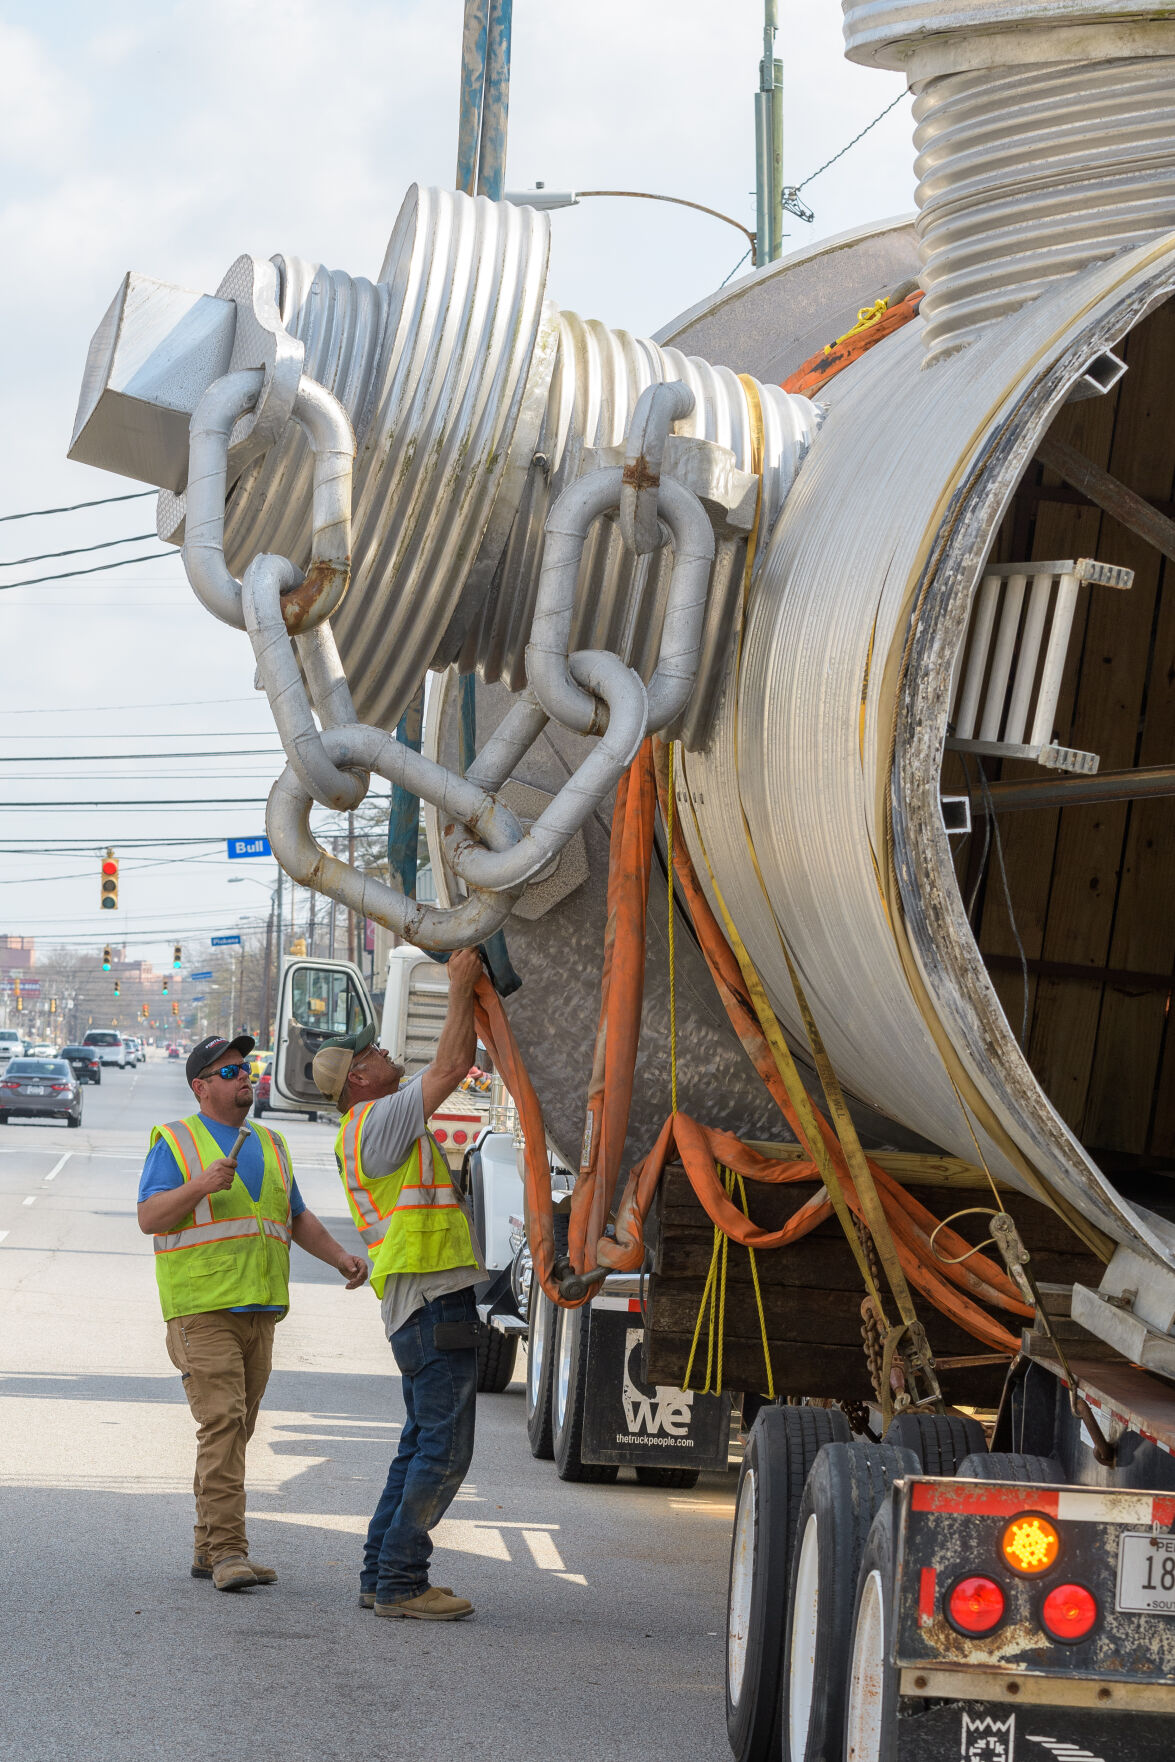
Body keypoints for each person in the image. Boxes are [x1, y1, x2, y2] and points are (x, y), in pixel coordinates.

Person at [137, 1033, 368, 1591]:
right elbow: (150, 1217)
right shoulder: (176, 1141)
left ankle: (207, 1546)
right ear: (201, 1087)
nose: (244, 1075)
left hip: (260, 1309)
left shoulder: (270, 1142)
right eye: (228, 1071)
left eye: (244, 1066)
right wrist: (200, 1184)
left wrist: (341, 1258)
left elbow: (296, 1216)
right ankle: (228, 1553)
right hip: (202, 1308)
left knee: (235, 1431)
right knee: (222, 1424)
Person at [312, 947, 487, 1622]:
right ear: (359, 1078)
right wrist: (461, 985)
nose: (385, 1051)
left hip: (416, 1305)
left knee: (418, 1444)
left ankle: (378, 1575)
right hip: (431, 1300)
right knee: (444, 1449)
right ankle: (401, 1582)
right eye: (373, 1051)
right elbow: (452, 1066)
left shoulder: (367, 1126)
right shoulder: (378, 1120)